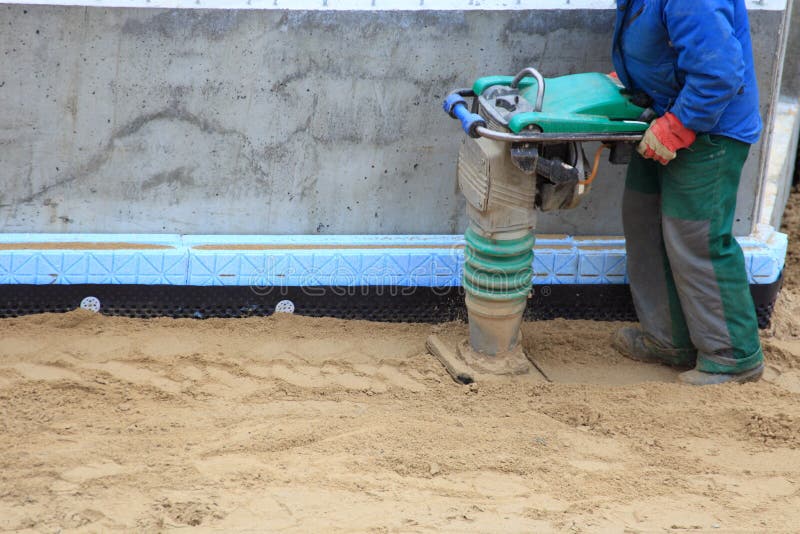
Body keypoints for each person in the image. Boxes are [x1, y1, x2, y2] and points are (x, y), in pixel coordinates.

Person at [609, 0, 765, 384]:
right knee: (643, 218)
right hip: (667, 110)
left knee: (696, 238)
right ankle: (668, 340)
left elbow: (720, 73)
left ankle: (732, 355)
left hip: (710, 126)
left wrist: (679, 126)